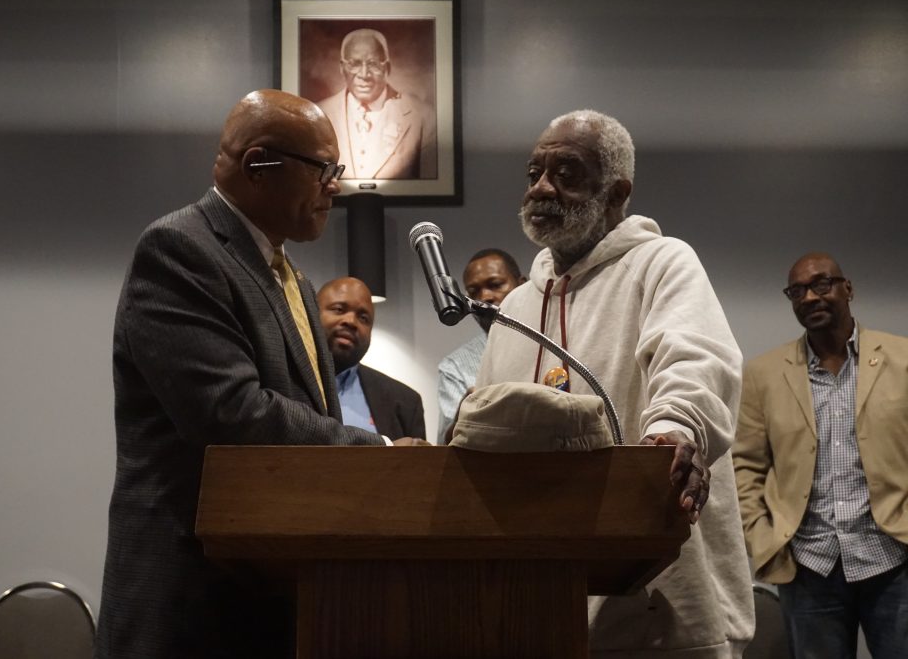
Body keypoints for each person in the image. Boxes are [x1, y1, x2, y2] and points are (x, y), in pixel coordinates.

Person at [96, 89, 427, 659]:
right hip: (192, 598)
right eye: (324, 169)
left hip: (271, 591)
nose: (336, 187)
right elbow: (233, 415)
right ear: (258, 166)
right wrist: (378, 451)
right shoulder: (180, 250)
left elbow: (308, 418)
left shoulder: (291, 278)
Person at [474, 110, 754, 656]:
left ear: (617, 191)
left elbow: (696, 358)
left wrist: (677, 425)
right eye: (534, 172)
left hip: (660, 602)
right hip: (541, 603)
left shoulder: (662, 263)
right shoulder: (516, 304)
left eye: (566, 172)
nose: (542, 188)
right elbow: (483, 422)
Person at [733, 252, 908, 658]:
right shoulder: (763, 375)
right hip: (809, 565)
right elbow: (746, 465)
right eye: (797, 291)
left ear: (848, 288)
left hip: (893, 558)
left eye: (821, 284)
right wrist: (762, 536)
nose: (810, 297)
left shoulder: (901, 360)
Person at [316, 28, 437, 180]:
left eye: (373, 64)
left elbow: (430, 187)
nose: (364, 74)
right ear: (342, 67)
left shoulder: (423, 118)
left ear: (387, 68)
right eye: (354, 64)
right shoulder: (319, 115)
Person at [316, 276, 426, 440]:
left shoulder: (405, 402)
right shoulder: (278, 384)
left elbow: (420, 464)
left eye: (363, 318)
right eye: (339, 309)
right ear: (310, 313)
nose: (351, 321)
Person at [436, 248, 526, 442]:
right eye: (473, 292)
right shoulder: (454, 367)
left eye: (495, 285)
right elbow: (445, 444)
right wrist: (464, 415)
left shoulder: (555, 343)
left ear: (522, 285)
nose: (484, 297)